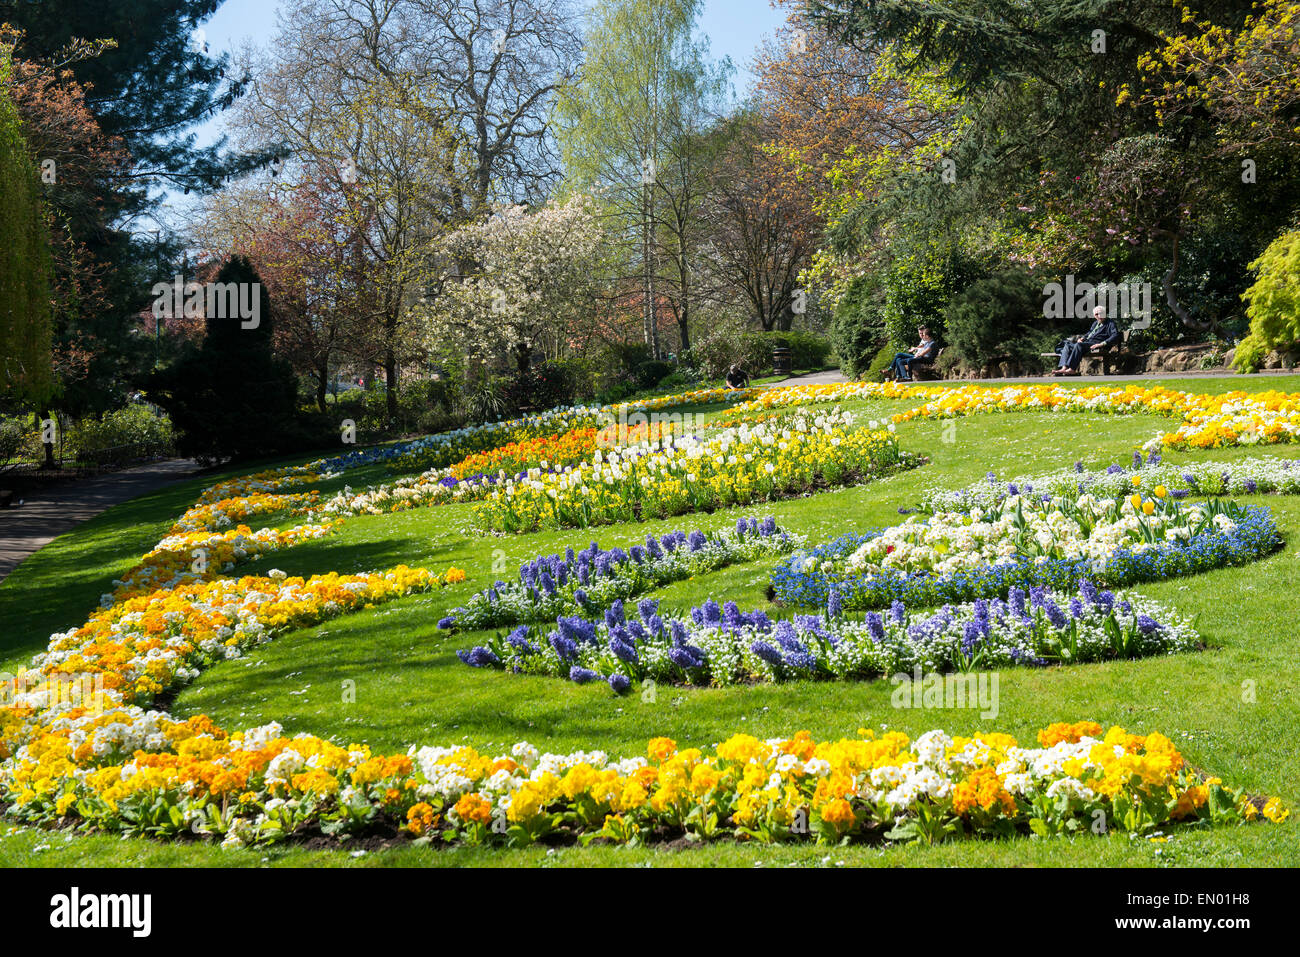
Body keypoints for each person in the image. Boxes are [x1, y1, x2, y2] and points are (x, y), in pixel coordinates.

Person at [1053, 306, 1119, 376]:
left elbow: (1115, 335)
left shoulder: (1110, 323)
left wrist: (1101, 344)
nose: (1099, 316)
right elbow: (1089, 333)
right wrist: (1082, 338)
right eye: (1096, 314)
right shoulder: (1095, 323)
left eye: (1101, 313)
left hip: (1098, 344)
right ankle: (1064, 368)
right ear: (1094, 315)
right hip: (1088, 343)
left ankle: (1072, 369)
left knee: (1078, 345)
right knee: (1067, 345)